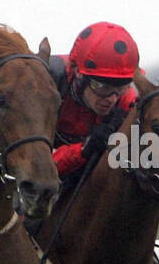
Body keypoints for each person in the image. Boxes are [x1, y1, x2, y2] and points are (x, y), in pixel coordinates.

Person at [48, 22, 141, 180]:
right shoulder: (50, 85)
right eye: (102, 87)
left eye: (120, 87)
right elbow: (33, 167)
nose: (112, 99)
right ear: (78, 74)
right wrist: (83, 149)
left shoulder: (127, 100)